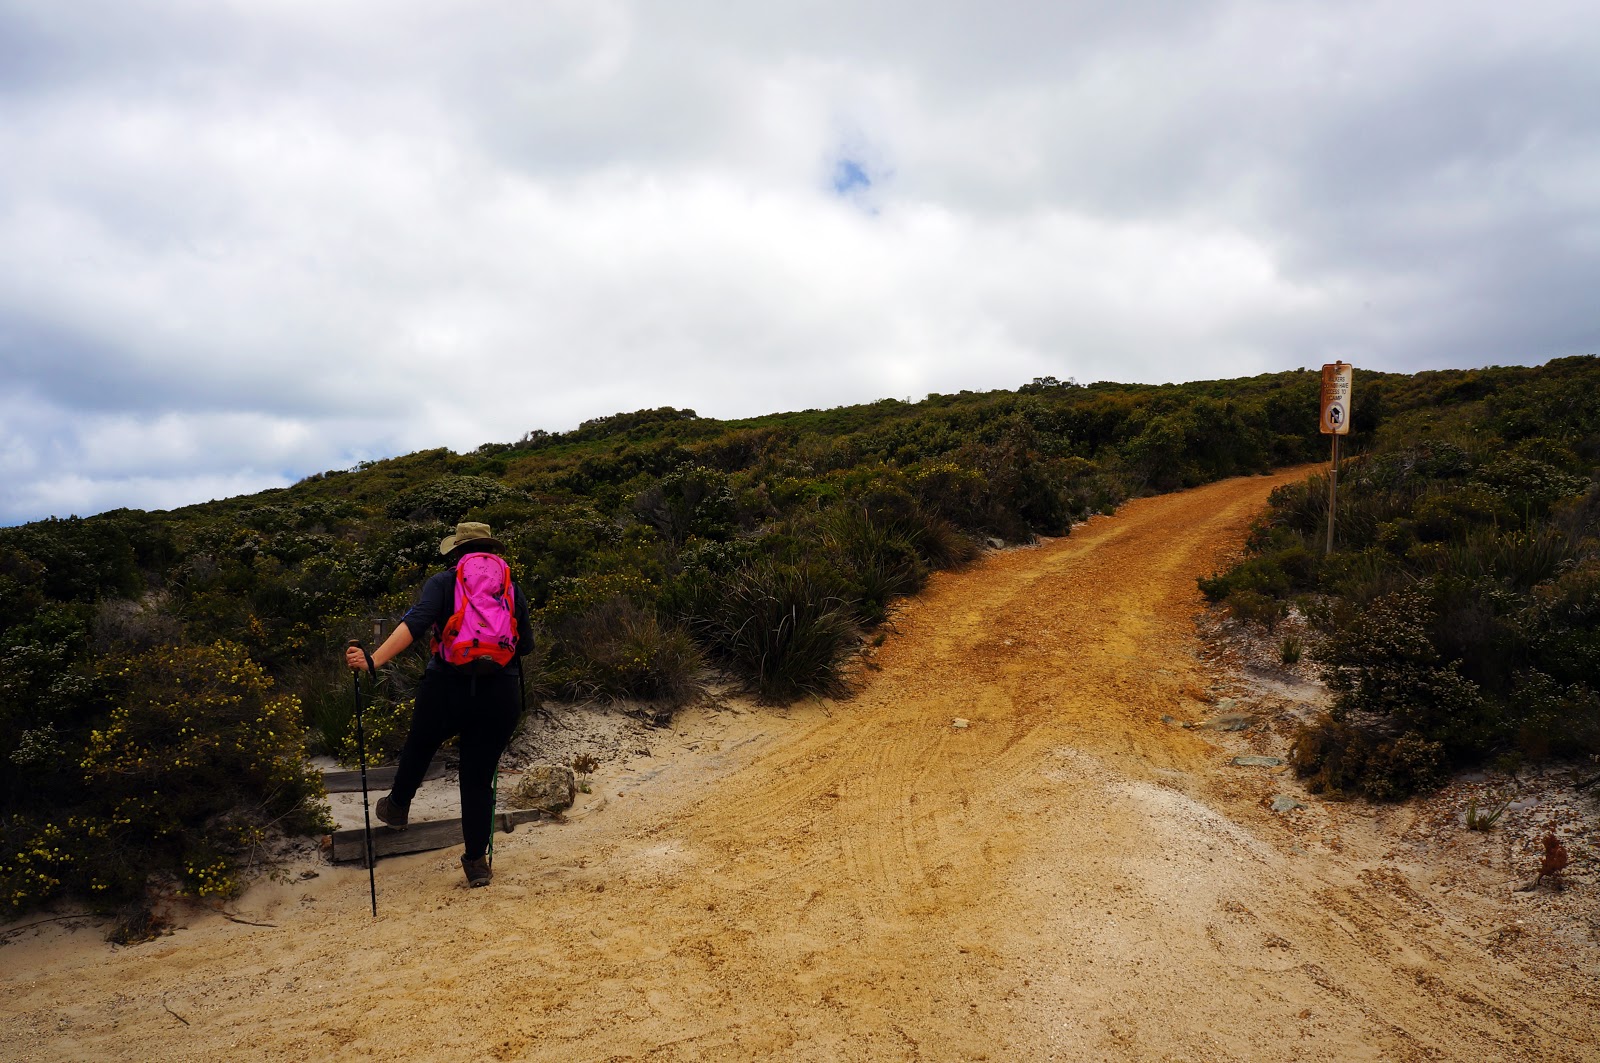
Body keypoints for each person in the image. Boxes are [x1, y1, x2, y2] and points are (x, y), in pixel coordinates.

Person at [344, 521, 533, 887]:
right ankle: (476, 864)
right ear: (491, 551)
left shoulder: (443, 582)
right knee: (477, 778)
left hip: (447, 685)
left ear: (457, 552)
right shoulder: (511, 588)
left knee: (421, 743)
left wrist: (373, 660)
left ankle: (397, 806)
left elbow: (416, 623)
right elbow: (524, 645)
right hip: (500, 693)